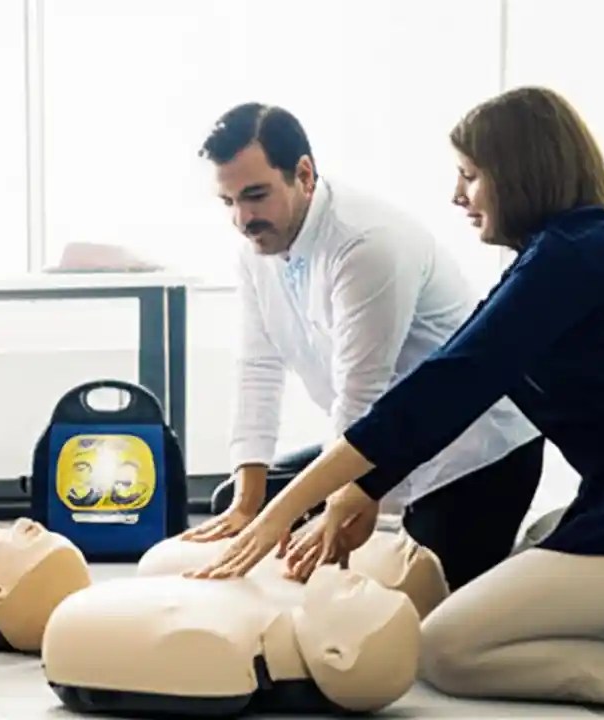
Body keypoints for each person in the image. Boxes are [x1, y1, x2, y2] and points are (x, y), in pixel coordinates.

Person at [191, 86, 604, 708]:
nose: (458, 195)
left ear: (521, 174)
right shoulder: (564, 255)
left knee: (446, 650)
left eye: (470, 176)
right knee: (500, 595)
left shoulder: (574, 262)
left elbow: (439, 387)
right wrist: (355, 491)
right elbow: (448, 394)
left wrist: (275, 516)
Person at [180, 102, 544, 590]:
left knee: (420, 604)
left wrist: (343, 501)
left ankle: (528, 567)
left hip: (474, 457)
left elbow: (360, 396)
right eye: (228, 203)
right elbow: (257, 368)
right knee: (245, 495)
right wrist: (248, 505)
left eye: (256, 196)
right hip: (384, 440)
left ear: (304, 174)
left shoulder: (367, 243)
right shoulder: (257, 247)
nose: (243, 219)